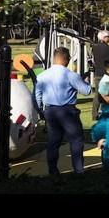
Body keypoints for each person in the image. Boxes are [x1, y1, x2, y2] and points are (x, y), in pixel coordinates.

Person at [34, 47, 92, 176]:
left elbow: (37, 95)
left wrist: (40, 111)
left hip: (50, 111)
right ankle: (79, 170)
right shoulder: (70, 75)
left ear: (54, 59)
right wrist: (85, 81)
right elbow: (87, 91)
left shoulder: (42, 75)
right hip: (68, 111)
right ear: (66, 59)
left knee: (53, 142)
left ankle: (53, 171)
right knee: (76, 141)